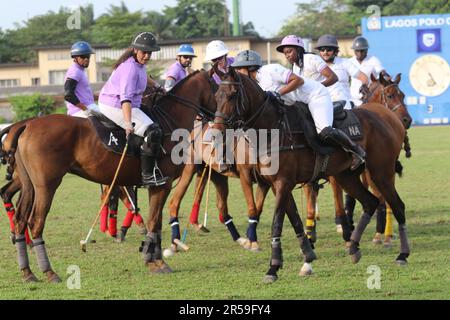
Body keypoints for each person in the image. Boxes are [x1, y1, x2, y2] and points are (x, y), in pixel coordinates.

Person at [231, 50, 365, 170]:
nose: (237, 73)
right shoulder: (256, 84)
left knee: (324, 130)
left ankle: (356, 151)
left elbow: (298, 80)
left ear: (250, 67)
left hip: (316, 96)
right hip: (298, 103)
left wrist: (279, 93)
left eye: (239, 69)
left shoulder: (270, 70)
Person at [98, 32, 168, 187]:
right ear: (136, 50)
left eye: (150, 53)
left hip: (128, 103)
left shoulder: (138, 64)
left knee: (156, 118)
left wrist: (157, 86)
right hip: (115, 105)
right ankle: (147, 176)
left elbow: (144, 76)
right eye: (144, 52)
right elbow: (125, 99)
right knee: (153, 131)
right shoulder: (129, 68)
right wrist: (128, 122)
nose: (147, 56)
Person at [315, 34, 369, 110]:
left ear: (335, 51)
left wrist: (364, 85)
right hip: (321, 104)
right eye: (322, 49)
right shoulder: (314, 64)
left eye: (329, 50)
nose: (325, 52)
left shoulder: (344, 63)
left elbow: (363, 77)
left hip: (344, 104)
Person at [349, 36, 390, 106]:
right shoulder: (350, 61)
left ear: (366, 50)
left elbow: (382, 72)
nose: (359, 53)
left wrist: (385, 76)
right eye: (357, 50)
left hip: (369, 98)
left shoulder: (373, 60)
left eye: (362, 50)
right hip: (352, 99)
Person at [64, 41, 98, 117]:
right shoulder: (75, 71)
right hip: (80, 111)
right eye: (82, 56)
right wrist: (85, 109)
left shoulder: (80, 70)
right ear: (75, 58)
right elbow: (68, 95)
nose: (86, 59)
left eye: (88, 56)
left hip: (87, 107)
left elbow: (84, 95)